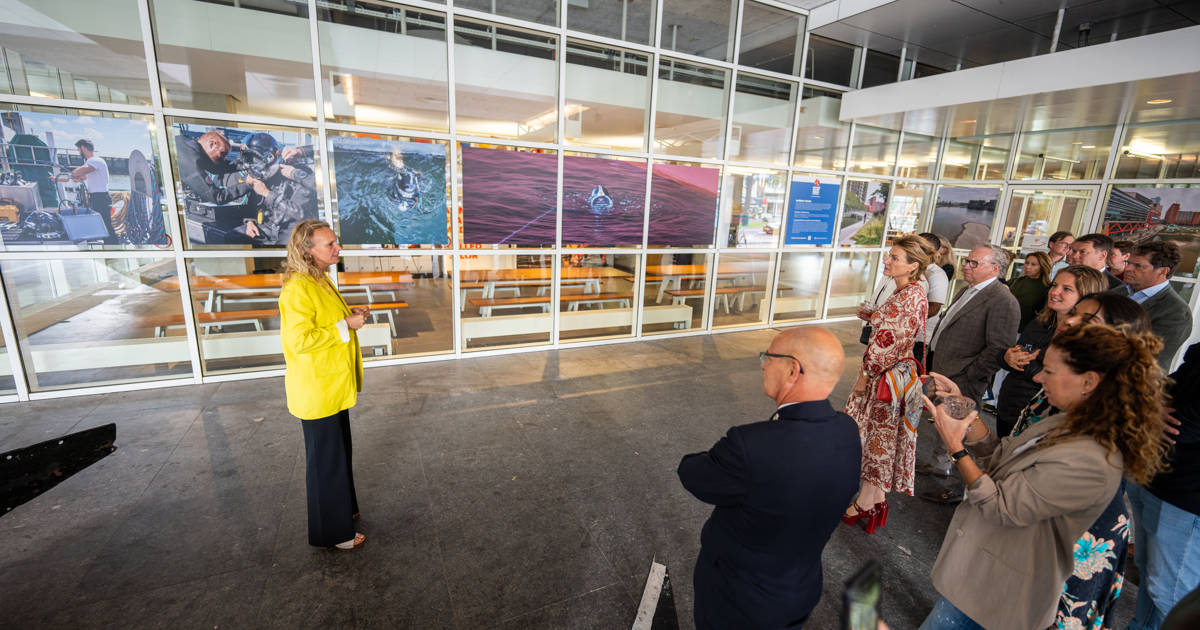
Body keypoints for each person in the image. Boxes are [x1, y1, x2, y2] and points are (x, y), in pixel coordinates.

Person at [919, 323, 1169, 630]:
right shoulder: (1066, 421)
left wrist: (956, 448)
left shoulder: (1091, 459)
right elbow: (1000, 454)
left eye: (1048, 371)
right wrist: (964, 411)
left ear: (1088, 381)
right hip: (986, 572)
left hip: (1005, 591)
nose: (1037, 377)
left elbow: (1002, 507)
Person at [679, 327, 860, 629]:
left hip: (738, 601)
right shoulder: (847, 430)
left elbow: (693, 474)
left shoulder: (750, 445)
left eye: (768, 357)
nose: (762, 364)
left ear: (792, 369)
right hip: (799, 589)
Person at [280, 219, 370, 550]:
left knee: (337, 454)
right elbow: (299, 340)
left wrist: (350, 318)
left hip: (330, 385)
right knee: (325, 462)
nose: (337, 248)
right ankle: (334, 534)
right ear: (307, 250)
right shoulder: (297, 288)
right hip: (317, 388)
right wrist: (346, 324)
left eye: (336, 242)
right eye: (329, 244)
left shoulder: (318, 280)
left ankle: (345, 510)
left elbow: (328, 321)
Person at [919, 245, 1020, 502]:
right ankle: (941, 467)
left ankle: (955, 488)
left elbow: (998, 349)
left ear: (995, 268)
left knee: (963, 432)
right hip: (945, 372)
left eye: (975, 263)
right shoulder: (968, 289)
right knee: (944, 426)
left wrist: (969, 376)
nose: (966, 265)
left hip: (963, 379)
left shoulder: (1002, 300)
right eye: (968, 261)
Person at [843, 236, 930, 531]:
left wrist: (863, 377)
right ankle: (875, 498)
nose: (887, 261)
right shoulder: (911, 290)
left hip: (883, 379)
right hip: (898, 378)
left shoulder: (908, 296)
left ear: (913, 265)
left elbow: (886, 345)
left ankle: (866, 503)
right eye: (889, 255)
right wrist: (875, 316)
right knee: (883, 441)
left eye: (895, 257)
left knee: (873, 440)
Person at [1127, 340, 1200, 629]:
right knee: (1149, 581)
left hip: (1187, 499)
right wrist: (1152, 405)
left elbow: (1186, 426)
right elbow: (1160, 387)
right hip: (1158, 480)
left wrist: (1152, 406)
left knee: (1170, 596)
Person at [994, 265, 1105, 438]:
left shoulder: (1087, 336)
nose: (1054, 292)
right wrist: (1006, 356)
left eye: (1066, 289)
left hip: (1042, 419)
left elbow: (1060, 377)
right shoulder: (1041, 322)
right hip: (1009, 407)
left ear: (1086, 296)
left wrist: (1029, 364)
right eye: (1054, 285)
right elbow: (1009, 356)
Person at [1122, 240, 1193, 370]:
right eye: (1128, 263)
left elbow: (1148, 360)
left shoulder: (1177, 313)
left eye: (1138, 266)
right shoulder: (1115, 292)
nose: (1127, 268)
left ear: (1163, 271)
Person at [174, 130, 254, 205]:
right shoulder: (190, 160)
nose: (224, 159)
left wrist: (242, 165)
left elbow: (215, 167)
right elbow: (217, 197)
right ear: (212, 144)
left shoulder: (187, 144)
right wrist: (248, 184)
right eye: (222, 153)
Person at [70, 139, 117, 244]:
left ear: (83, 148)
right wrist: (59, 179)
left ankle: (114, 250)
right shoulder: (93, 164)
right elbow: (81, 177)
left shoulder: (94, 161)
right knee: (102, 225)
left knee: (106, 226)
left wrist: (74, 173)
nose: (79, 152)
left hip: (100, 198)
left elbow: (78, 172)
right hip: (97, 198)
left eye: (79, 150)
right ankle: (110, 248)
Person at [915, 233, 949, 364]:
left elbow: (934, 308)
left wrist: (907, 321)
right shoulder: (914, 268)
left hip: (920, 338)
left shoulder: (936, 274)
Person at [1009, 251, 1052, 332]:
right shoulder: (1016, 281)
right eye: (1027, 263)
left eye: (1033, 264)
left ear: (1043, 267)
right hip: (1005, 325)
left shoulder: (1048, 288)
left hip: (1025, 331)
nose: (1027, 267)